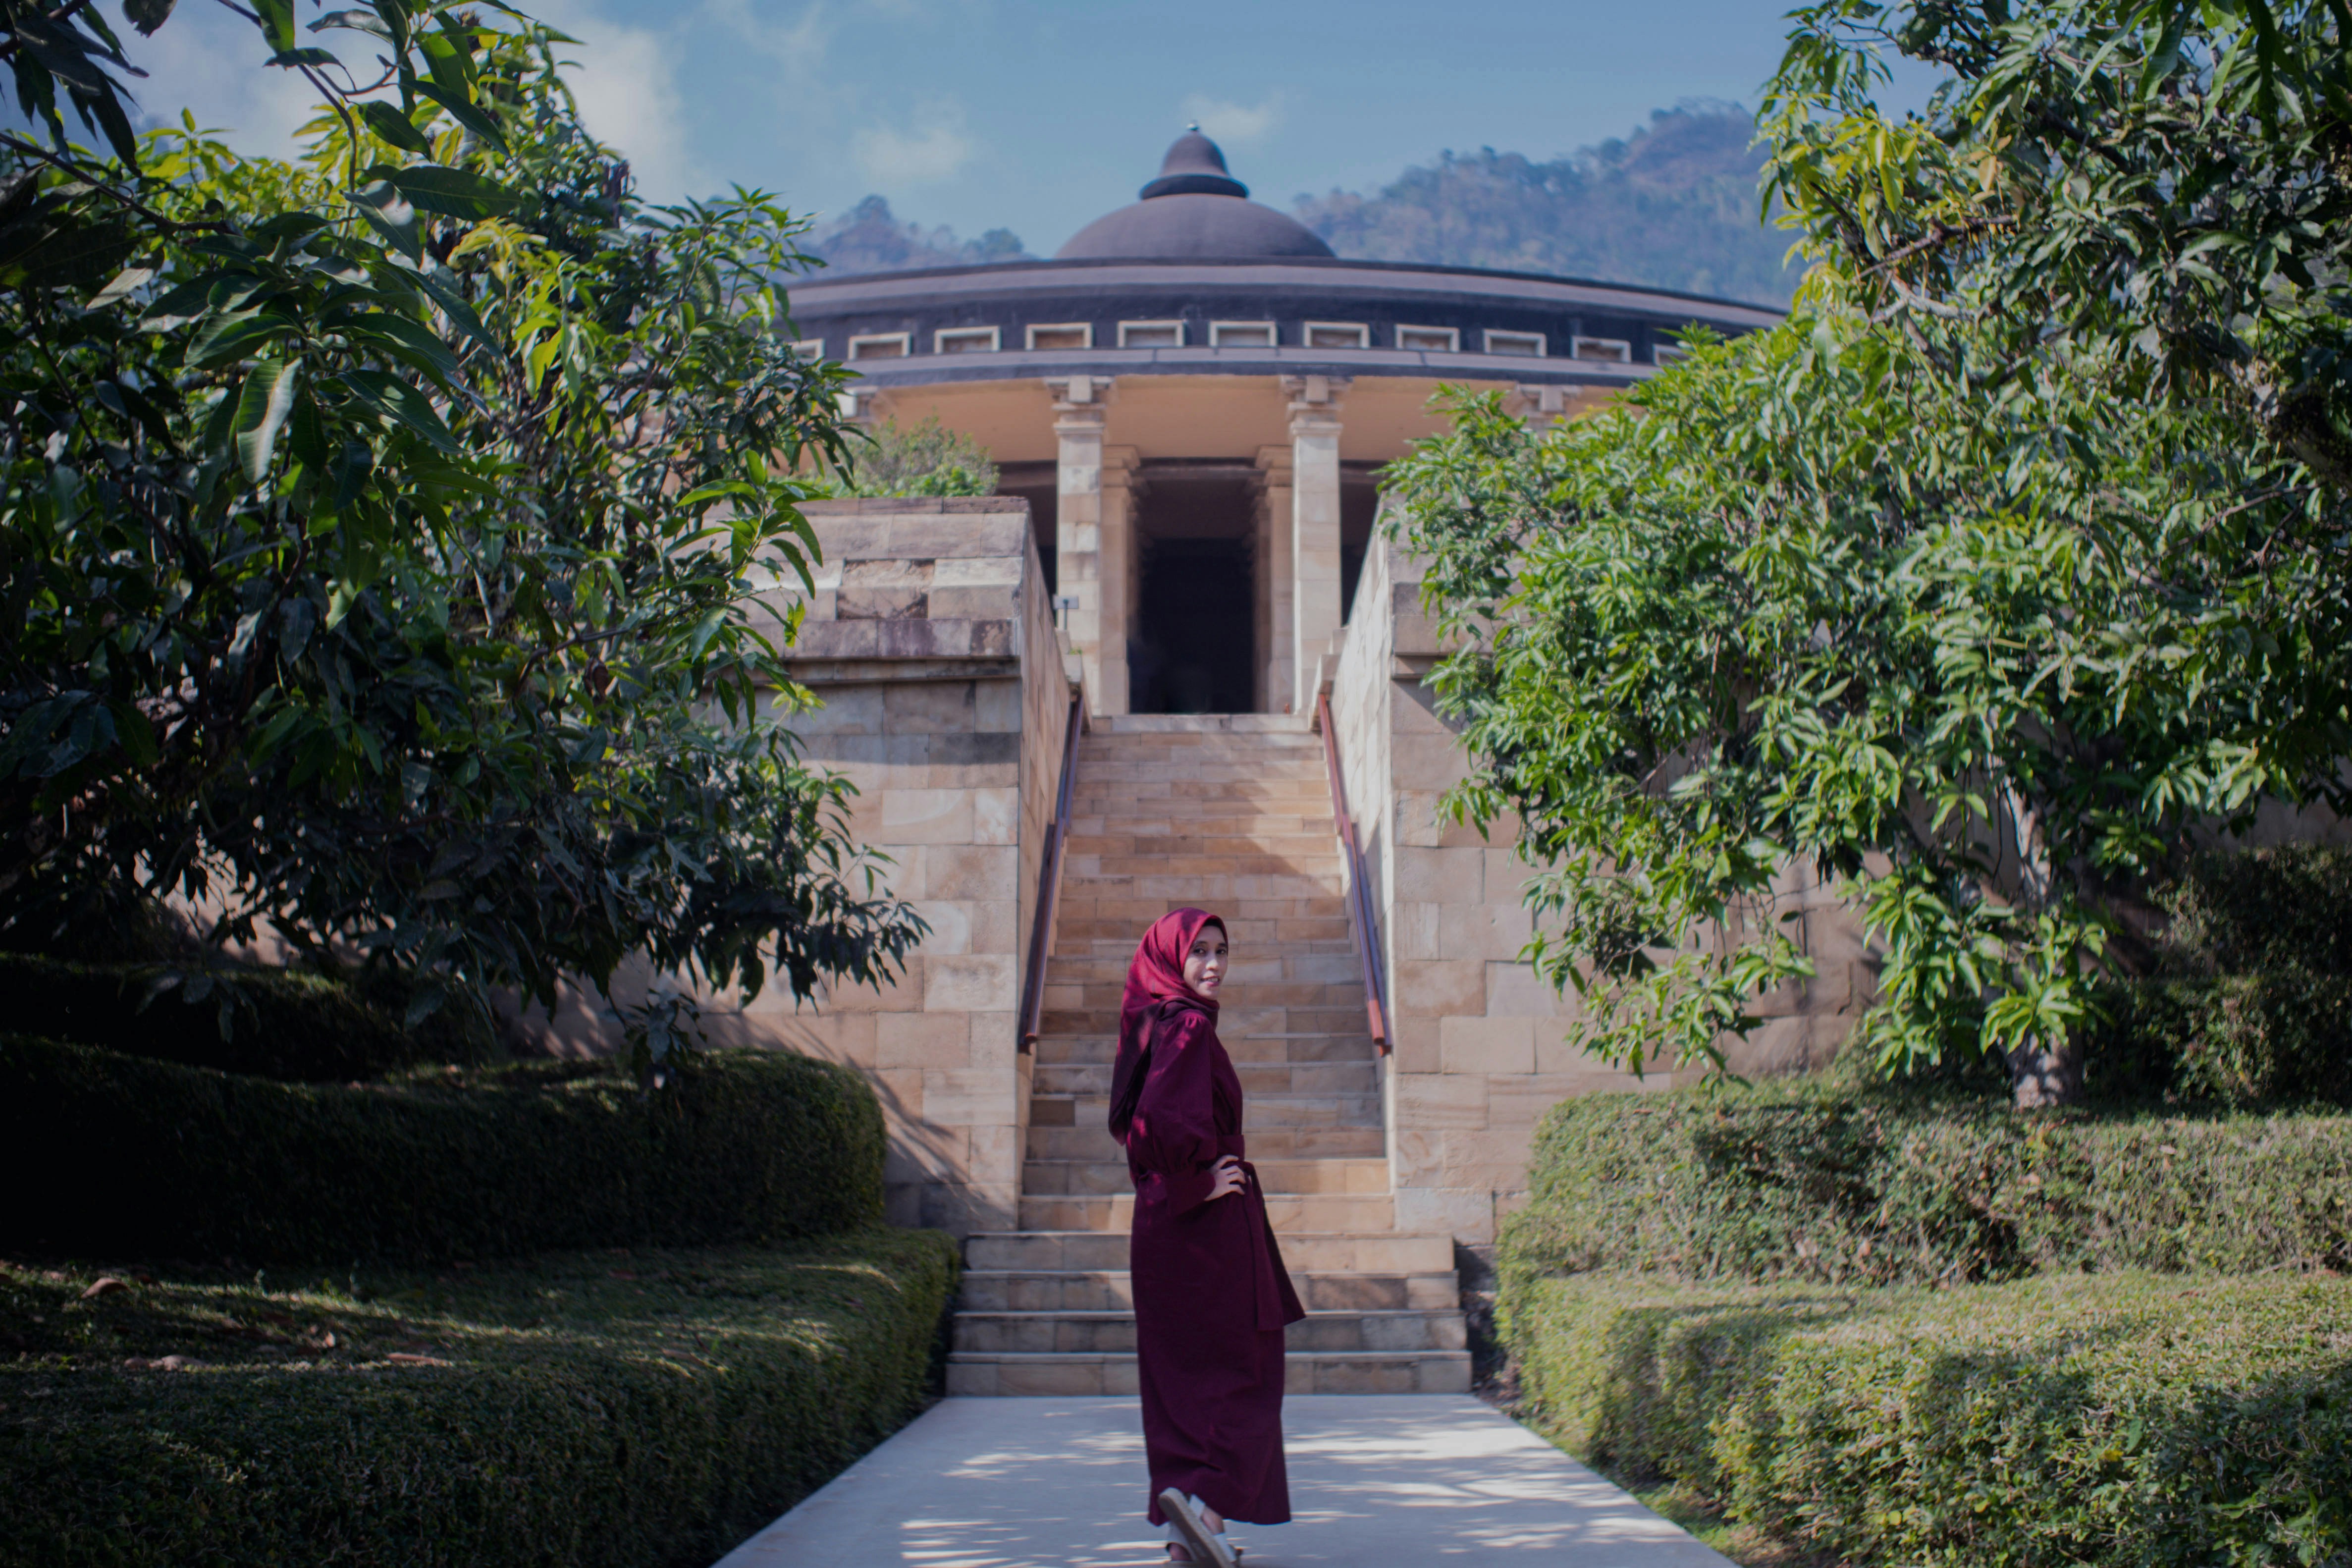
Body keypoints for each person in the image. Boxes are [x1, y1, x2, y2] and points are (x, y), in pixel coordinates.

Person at [1108, 907, 1305, 1567]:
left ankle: (1185, 1533)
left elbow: (1131, 1125)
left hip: (1162, 1223)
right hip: (1205, 1226)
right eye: (1199, 951)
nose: (1214, 963)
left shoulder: (1155, 1023)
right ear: (1172, 959)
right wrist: (1201, 1180)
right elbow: (1157, 1122)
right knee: (1245, 1371)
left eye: (1222, 950)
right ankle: (1203, 1510)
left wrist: (1183, 1184)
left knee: (1182, 1383)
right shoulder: (1188, 1024)